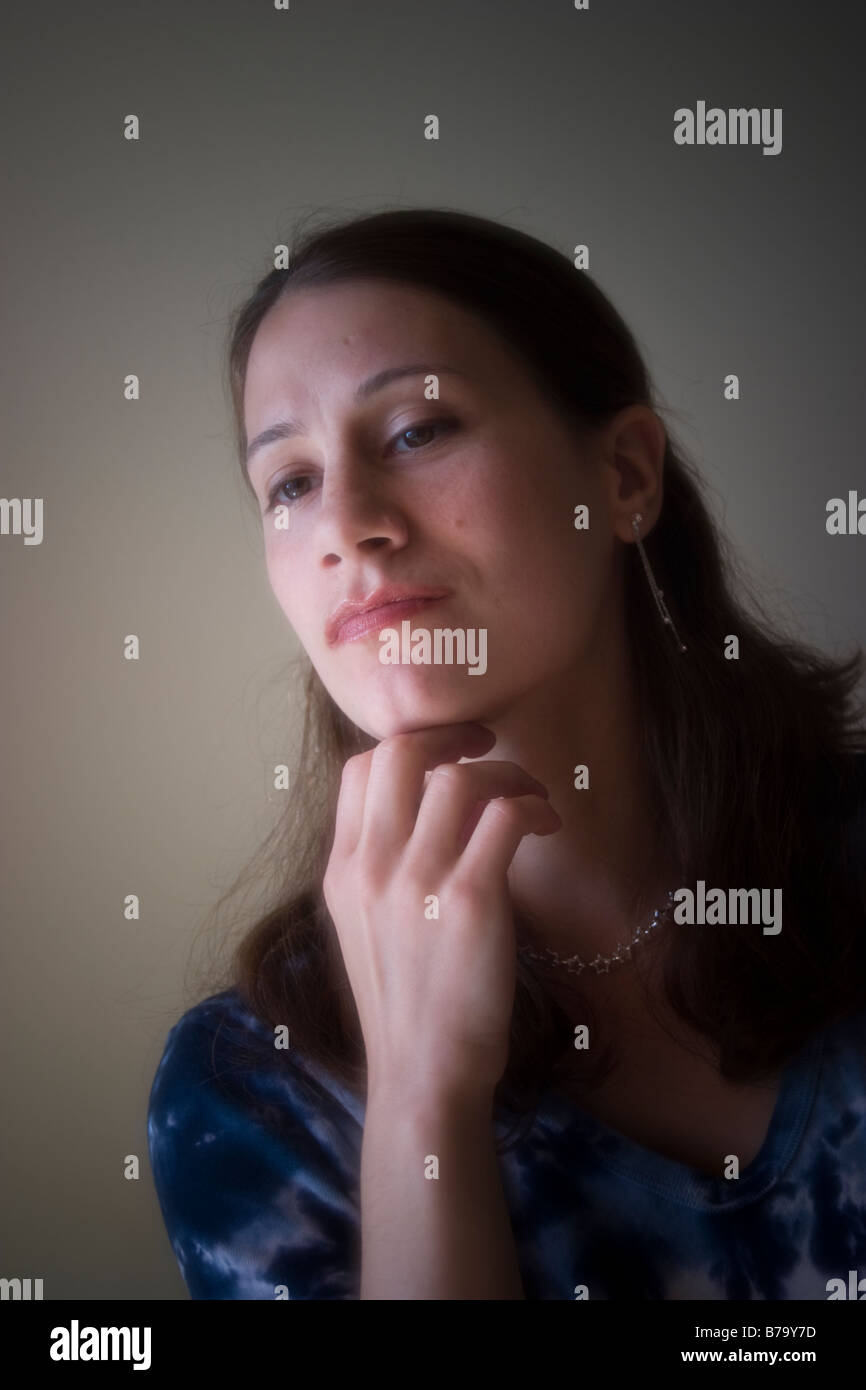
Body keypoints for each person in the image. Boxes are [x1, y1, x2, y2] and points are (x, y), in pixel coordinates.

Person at [147, 207, 866, 1300]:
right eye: (288, 483)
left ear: (623, 477)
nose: (346, 521)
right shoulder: (243, 1096)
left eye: (415, 430)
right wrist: (421, 1100)